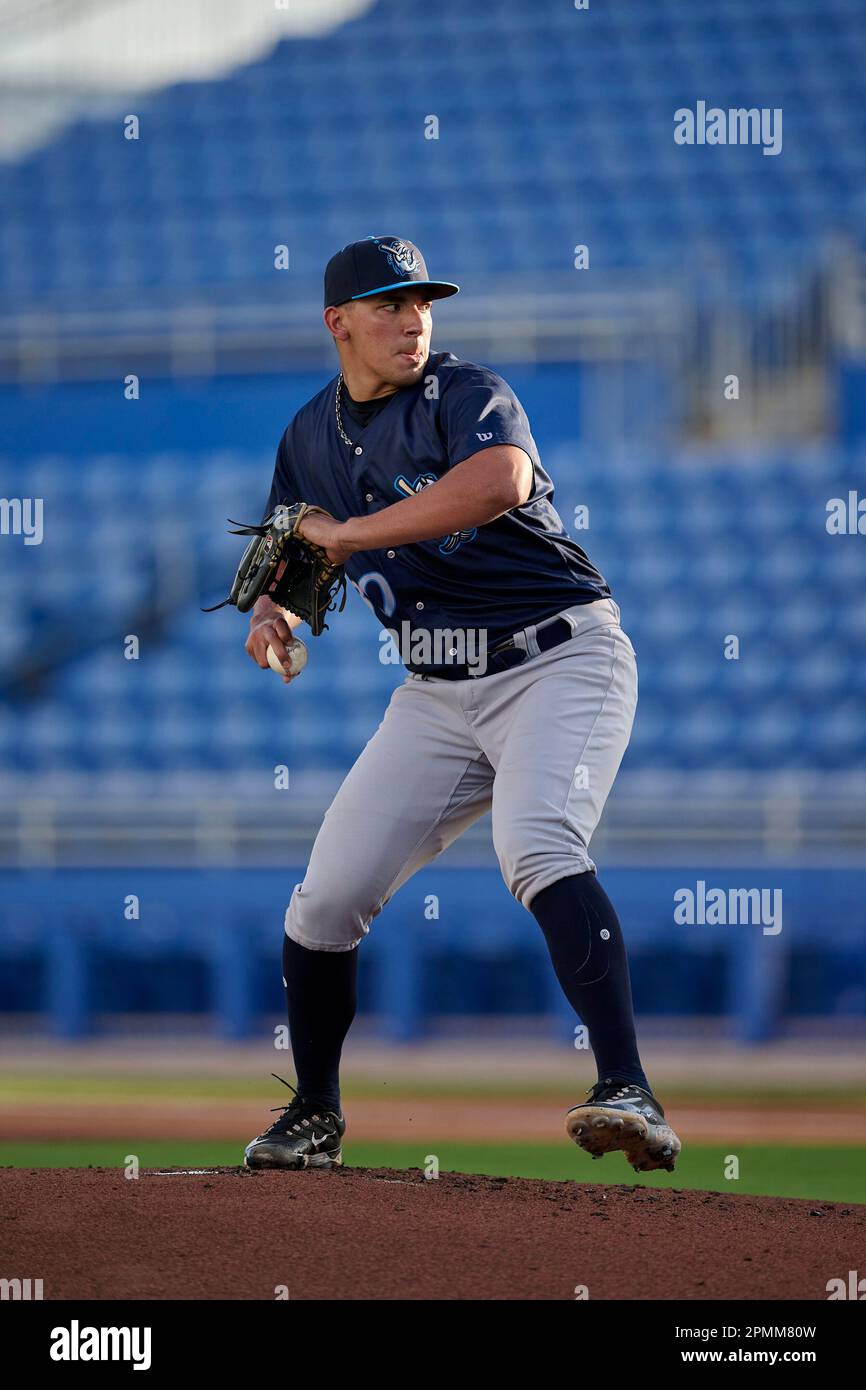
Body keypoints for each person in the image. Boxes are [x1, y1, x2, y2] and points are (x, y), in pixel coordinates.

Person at [242, 236, 681, 1175]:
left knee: (537, 844)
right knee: (326, 898)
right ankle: (314, 1114)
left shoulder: (464, 391)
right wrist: (277, 605)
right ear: (339, 325)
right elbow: (299, 549)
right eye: (389, 305)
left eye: (422, 303)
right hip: (436, 692)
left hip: (557, 657)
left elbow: (499, 483)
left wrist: (349, 532)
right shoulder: (307, 437)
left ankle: (627, 1088)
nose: (413, 320)